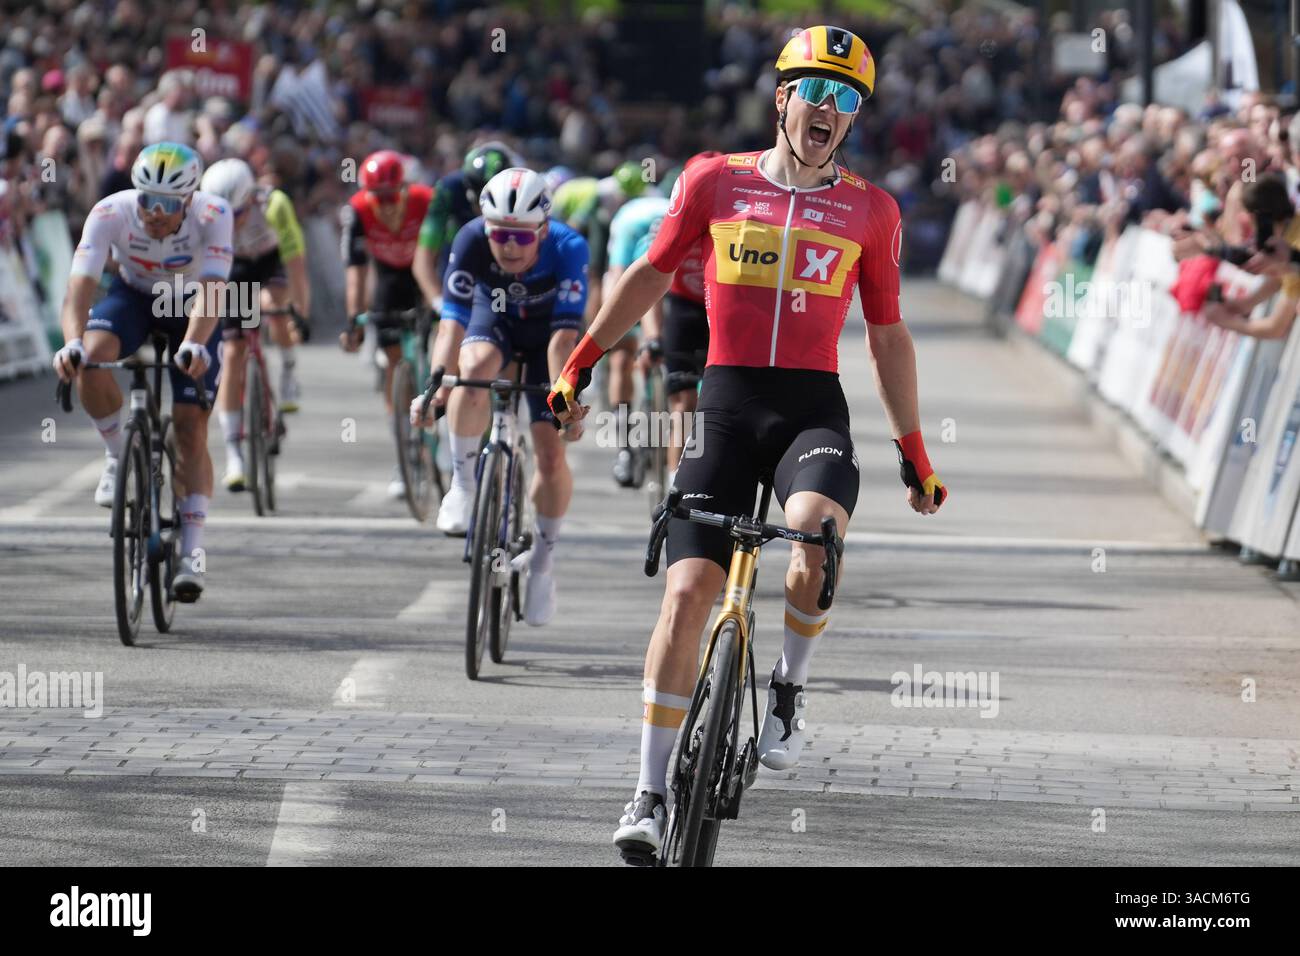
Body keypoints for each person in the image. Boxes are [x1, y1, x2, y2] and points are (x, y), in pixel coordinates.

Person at [545, 25, 948, 860]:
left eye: (848, 100)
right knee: (689, 590)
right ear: (783, 99)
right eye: (818, 92)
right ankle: (650, 792)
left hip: (810, 415)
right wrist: (583, 362)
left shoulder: (872, 210)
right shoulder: (712, 182)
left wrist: (915, 451)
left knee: (813, 537)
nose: (830, 111)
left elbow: (887, 337)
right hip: (725, 407)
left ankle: (790, 690)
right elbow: (651, 275)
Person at [51, 142, 233, 600]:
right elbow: (79, 288)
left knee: (190, 428)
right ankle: (116, 452)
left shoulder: (214, 214)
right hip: (133, 296)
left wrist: (194, 344)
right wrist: (71, 343)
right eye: (147, 199)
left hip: (192, 304)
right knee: (91, 359)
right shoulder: (111, 211)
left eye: (167, 204)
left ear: (189, 199)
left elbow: (213, 291)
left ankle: (191, 552)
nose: (154, 212)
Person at [413, 167, 589, 627]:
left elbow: (562, 342)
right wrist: (434, 385)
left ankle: (543, 565)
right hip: (495, 323)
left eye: (522, 237)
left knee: (551, 456)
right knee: (470, 371)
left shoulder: (569, 248)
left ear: (543, 229)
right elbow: (451, 324)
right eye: (500, 234)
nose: (510, 245)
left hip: (548, 335)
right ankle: (464, 486)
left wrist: (562, 404)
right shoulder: (470, 239)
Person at [200, 158, 311, 492]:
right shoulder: (205, 213)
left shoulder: (275, 206)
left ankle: (289, 372)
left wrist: (300, 314)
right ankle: (235, 453)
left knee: (276, 308)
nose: (231, 223)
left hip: (270, 261)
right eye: (225, 217)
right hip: (236, 267)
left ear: (251, 199)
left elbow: (296, 265)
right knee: (232, 352)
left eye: (238, 214)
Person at [338, 149, 435, 499]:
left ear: (405, 188)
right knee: (395, 361)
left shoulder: (426, 200)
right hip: (391, 278)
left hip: (427, 271)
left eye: (391, 196)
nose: (385, 204)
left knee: (442, 342)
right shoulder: (359, 210)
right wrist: (354, 319)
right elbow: (356, 270)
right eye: (376, 196)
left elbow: (447, 250)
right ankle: (405, 450)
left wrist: (438, 300)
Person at [553, 162, 648, 454]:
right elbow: (576, 230)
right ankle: (596, 332)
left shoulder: (645, 200)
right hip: (602, 236)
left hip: (630, 240)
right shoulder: (600, 195)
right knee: (595, 276)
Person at [412, 141, 522, 304]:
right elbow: (424, 257)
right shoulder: (449, 189)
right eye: (478, 196)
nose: (484, 204)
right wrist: (437, 301)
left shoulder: (521, 193)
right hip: (455, 274)